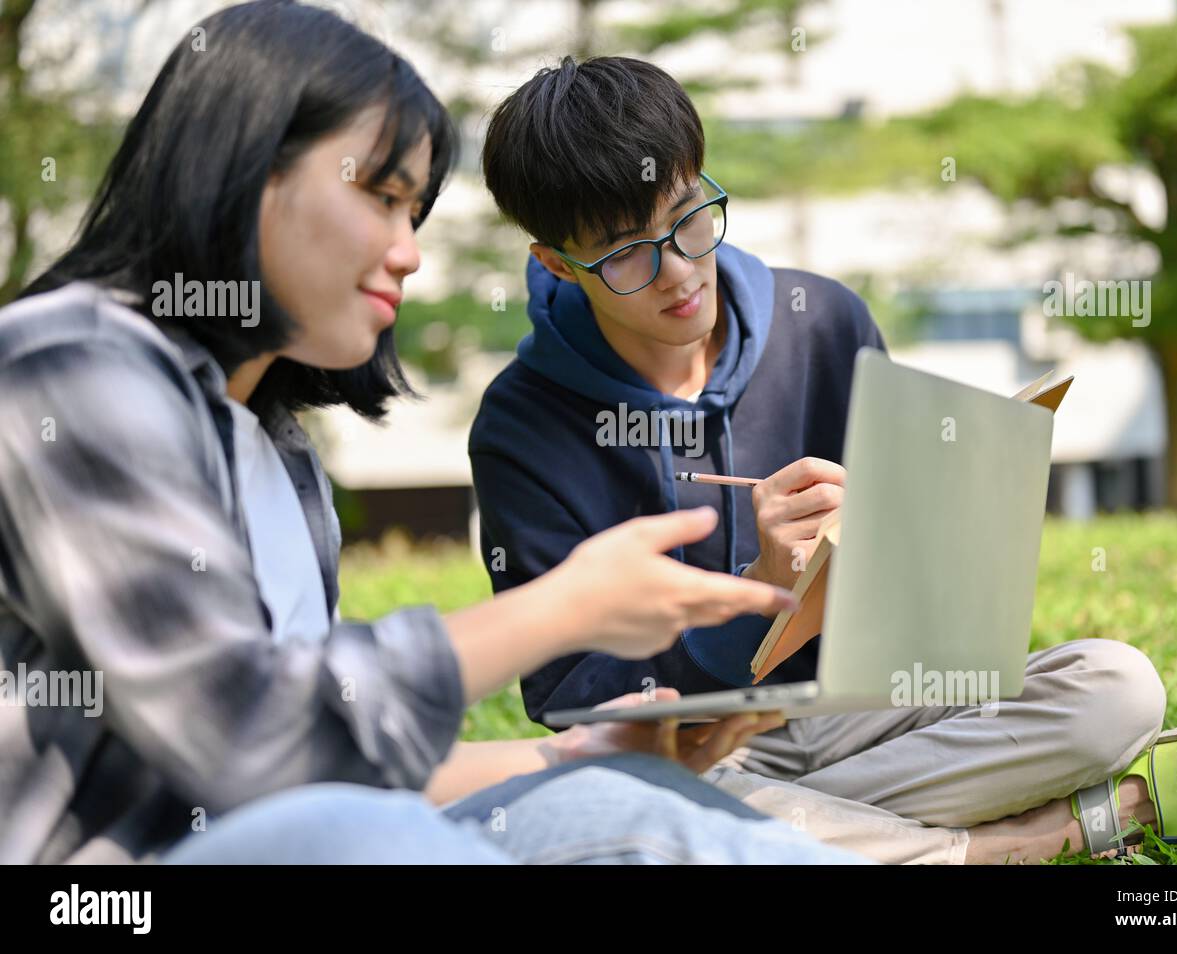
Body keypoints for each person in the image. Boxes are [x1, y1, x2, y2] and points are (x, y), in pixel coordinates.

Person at [0, 1, 868, 866]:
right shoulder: (71, 364)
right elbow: (246, 736)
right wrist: (566, 607)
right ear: (243, 169)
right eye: (381, 198)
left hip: (312, 836)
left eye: (413, 212)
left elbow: (320, 772)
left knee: (632, 804)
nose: (408, 251)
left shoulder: (277, 450)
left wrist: (583, 759)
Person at [469, 55, 1177, 864]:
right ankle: (1018, 843)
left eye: (689, 217)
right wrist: (759, 596)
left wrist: (912, 533)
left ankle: (783, 841)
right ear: (556, 264)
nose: (682, 272)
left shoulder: (822, 323)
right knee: (611, 795)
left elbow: (924, 617)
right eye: (626, 255)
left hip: (862, 712)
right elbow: (569, 703)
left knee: (1116, 689)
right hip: (691, 756)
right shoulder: (522, 427)